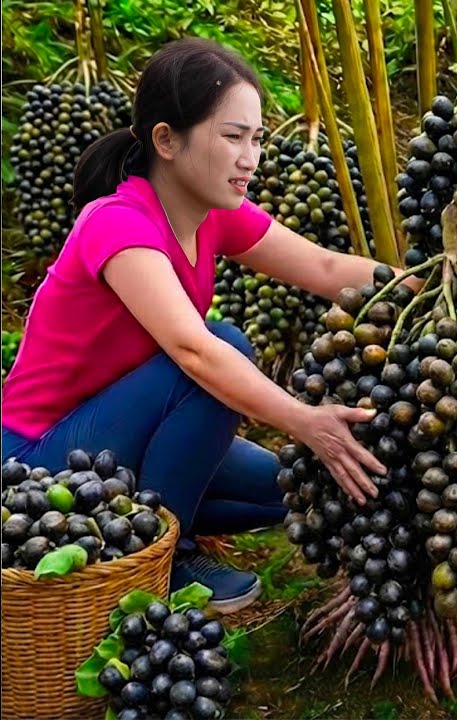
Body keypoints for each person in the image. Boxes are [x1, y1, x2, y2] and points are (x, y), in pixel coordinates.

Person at [1, 38, 393, 613]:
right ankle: (168, 557)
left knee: (302, 487)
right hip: (34, 460)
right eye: (232, 137)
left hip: (124, 440)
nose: (250, 157)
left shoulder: (214, 216)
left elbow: (326, 267)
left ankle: (142, 513)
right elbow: (194, 352)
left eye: (256, 139)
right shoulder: (117, 223)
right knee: (221, 345)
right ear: (166, 140)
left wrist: (433, 281)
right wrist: (305, 420)